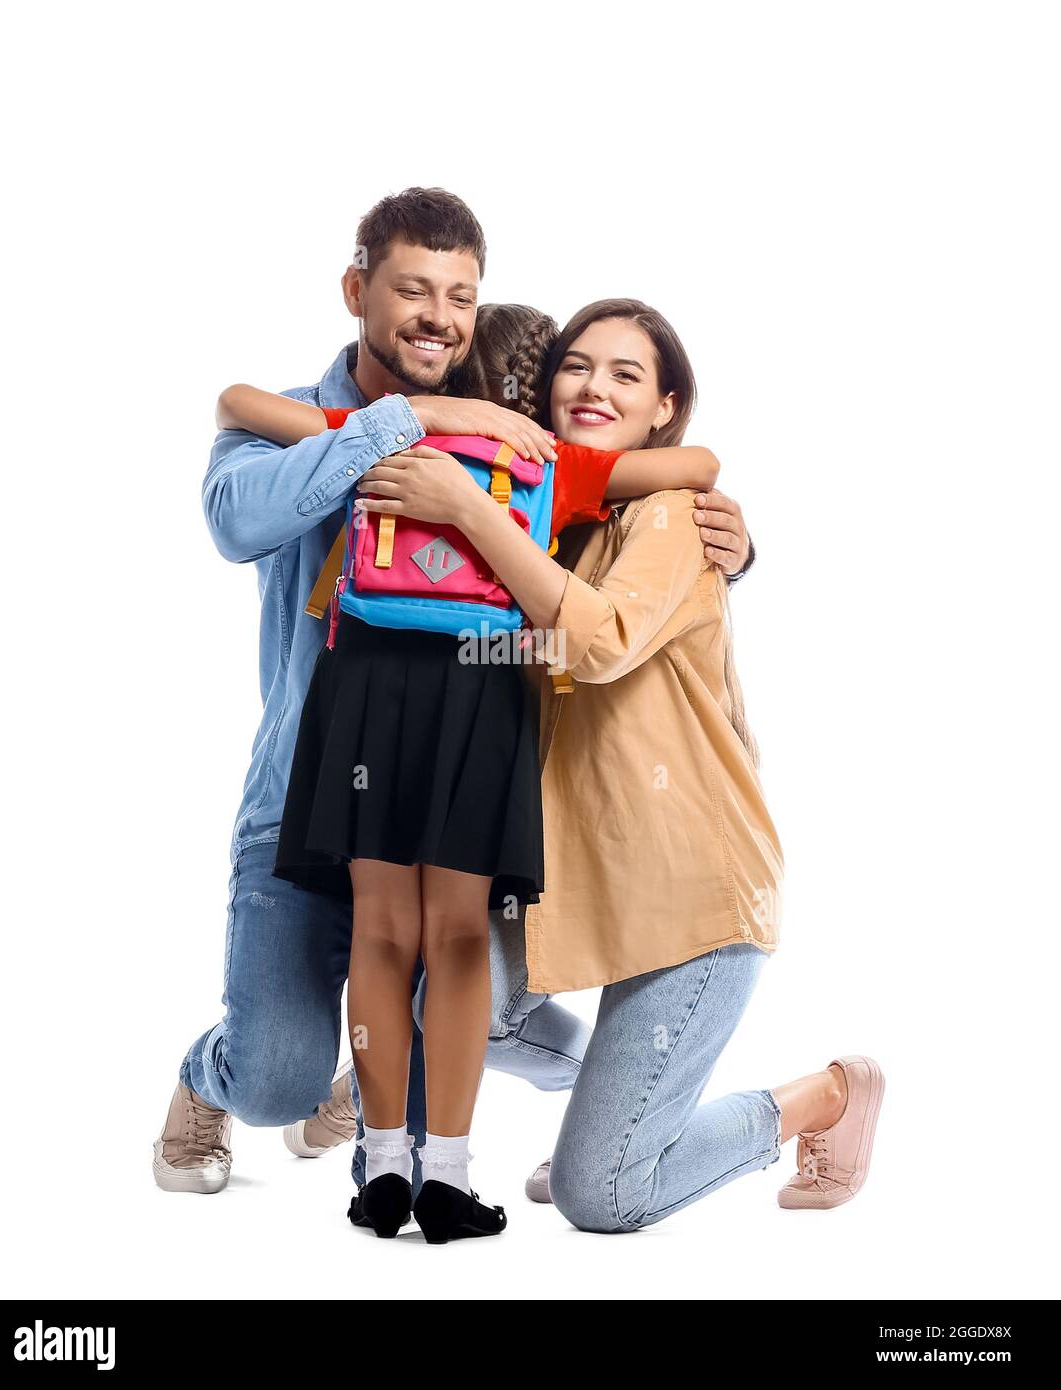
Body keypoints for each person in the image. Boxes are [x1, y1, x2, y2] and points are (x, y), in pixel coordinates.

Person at [151, 187, 755, 1204]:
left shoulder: (510, 447)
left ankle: (403, 1137)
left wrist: (724, 547)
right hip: (304, 793)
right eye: (410, 289)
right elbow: (236, 509)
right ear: (357, 290)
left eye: (458, 295)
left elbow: (622, 521)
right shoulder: (306, 428)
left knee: (460, 969)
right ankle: (217, 1079)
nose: (435, 313)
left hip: (447, 785)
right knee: (270, 1080)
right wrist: (408, 423)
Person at [357, 297, 886, 1228]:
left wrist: (473, 522)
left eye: (624, 375)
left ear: (664, 409)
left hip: (693, 897)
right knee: (458, 1008)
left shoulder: (673, 519)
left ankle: (827, 1096)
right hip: (570, 875)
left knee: (600, 1196)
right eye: (576, 366)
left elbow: (595, 643)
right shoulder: (552, 515)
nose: (593, 386)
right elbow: (507, 653)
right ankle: (614, 1117)